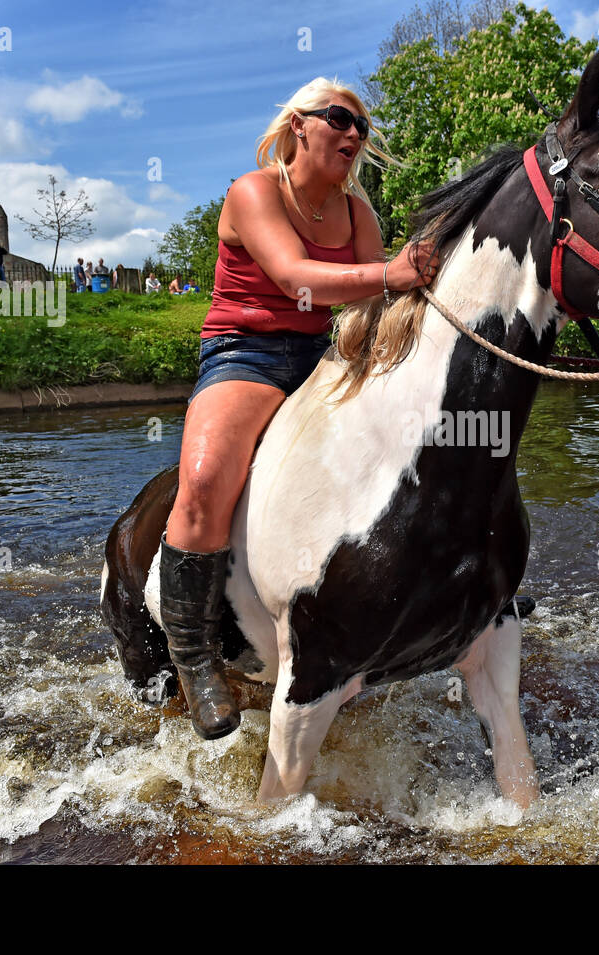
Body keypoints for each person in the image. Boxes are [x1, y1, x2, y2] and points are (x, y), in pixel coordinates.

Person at [158, 77, 439, 740]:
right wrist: (392, 274)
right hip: (244, 353)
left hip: (321, 353)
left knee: (421, 435)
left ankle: (467, 595)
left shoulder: (358, 214)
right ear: (297, 127)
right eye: (340, 119)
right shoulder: (252, 192)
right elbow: (295, 278)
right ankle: (197, 659)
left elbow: (373, 310)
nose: (353, 135)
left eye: (362, 128)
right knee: (202, 482)